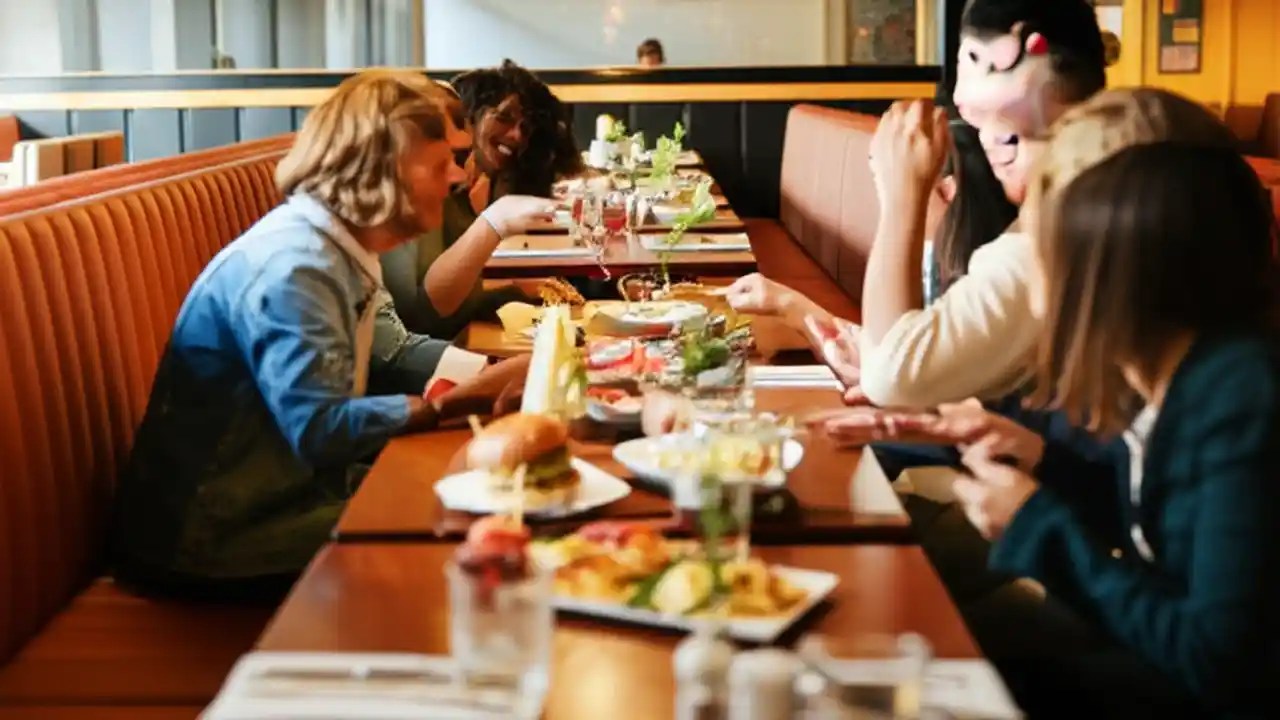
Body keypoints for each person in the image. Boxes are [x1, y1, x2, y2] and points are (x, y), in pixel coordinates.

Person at [816, 88, 1280, 716]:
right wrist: (1038, 457)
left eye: (1042, 238)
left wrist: (1038, 528)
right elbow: (1160, 522)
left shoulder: (1239, 395)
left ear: (1101, 262)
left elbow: (1219, 665)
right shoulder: (1163, 372)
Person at [110, 70, 536, 601]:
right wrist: (447, 403)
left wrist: (475, 384)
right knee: (488, 528)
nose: (456, 176)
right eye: (441, 162)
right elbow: (319, 429)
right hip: (216, 536)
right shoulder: (299, 266)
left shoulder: (334, 242)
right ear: (388, 167)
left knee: (506, 497)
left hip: (290, 494)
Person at [382, 60, 583, 340]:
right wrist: (494, 223)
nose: (517, 135)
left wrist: (514, 290)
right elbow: (420, 318)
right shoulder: (403, 195)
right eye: (503, 117)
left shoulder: (462, 185)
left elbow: (455, 303)